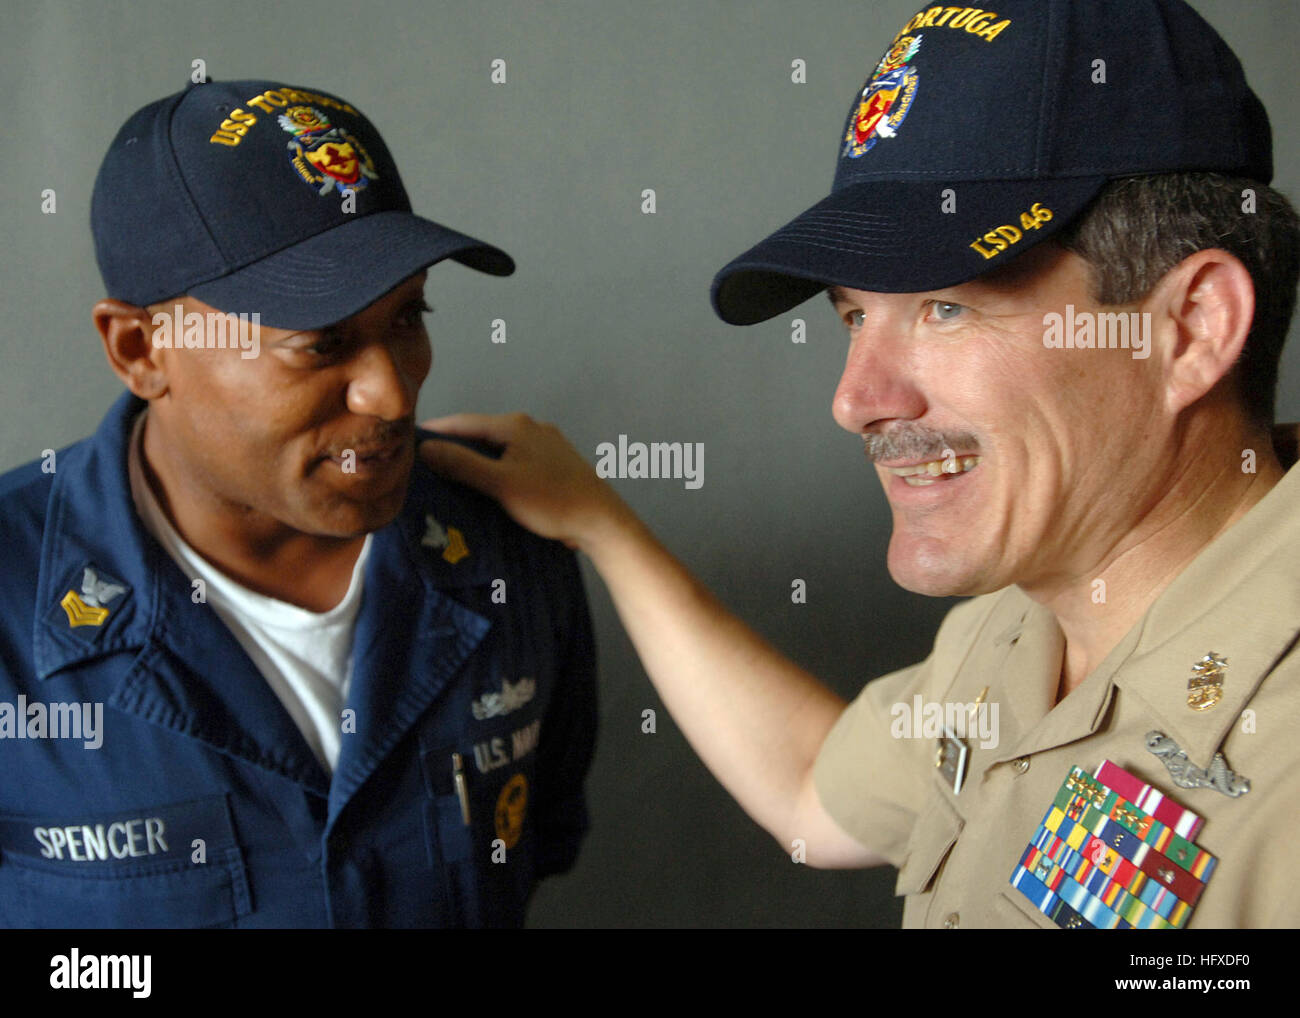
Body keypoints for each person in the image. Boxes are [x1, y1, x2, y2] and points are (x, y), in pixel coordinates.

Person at [419, 0, 1300, 927]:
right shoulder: (1020, 628)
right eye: (853, 316)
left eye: (945, 308)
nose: (855, 399)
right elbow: (810, 789)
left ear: (1191, 329)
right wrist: (603, 527)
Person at [0, 78, 596, 928]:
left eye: (409, 316)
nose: (391, 394)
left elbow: (539, 843)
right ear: (141, 350)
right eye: (320, 343)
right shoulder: (13, 605)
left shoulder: (511, 544)